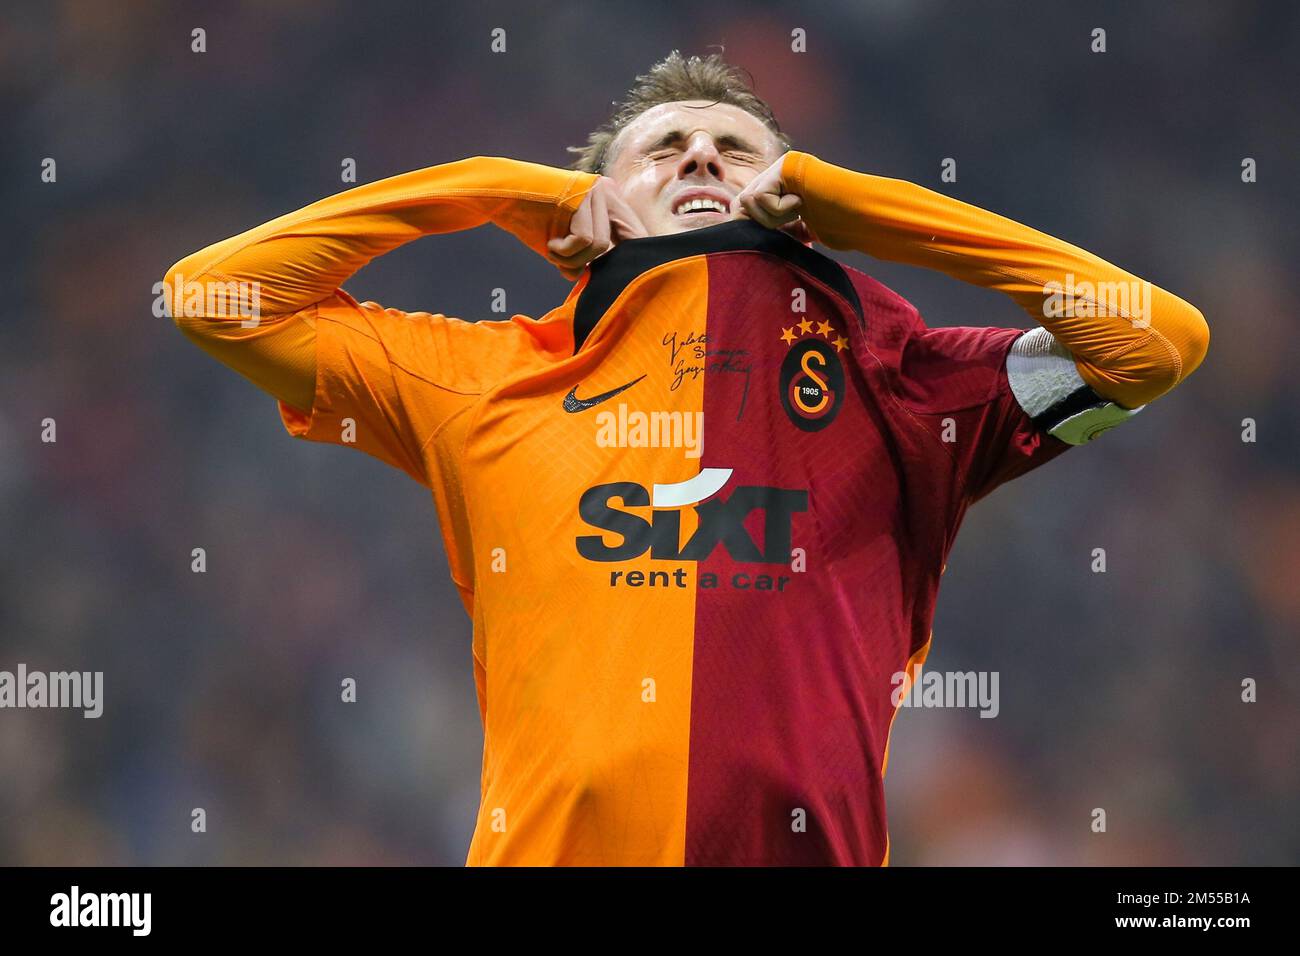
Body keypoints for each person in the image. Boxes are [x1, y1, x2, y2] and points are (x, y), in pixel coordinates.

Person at [163, 51, 1208, 865]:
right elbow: (212, 297)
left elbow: (1157, 341)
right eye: (661, 149)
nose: (701, 158)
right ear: (597, 201)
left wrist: (875, 211)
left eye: (738, 148)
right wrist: (491, 188)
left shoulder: (907, 387)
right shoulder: (486, 378)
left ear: (796, 194)